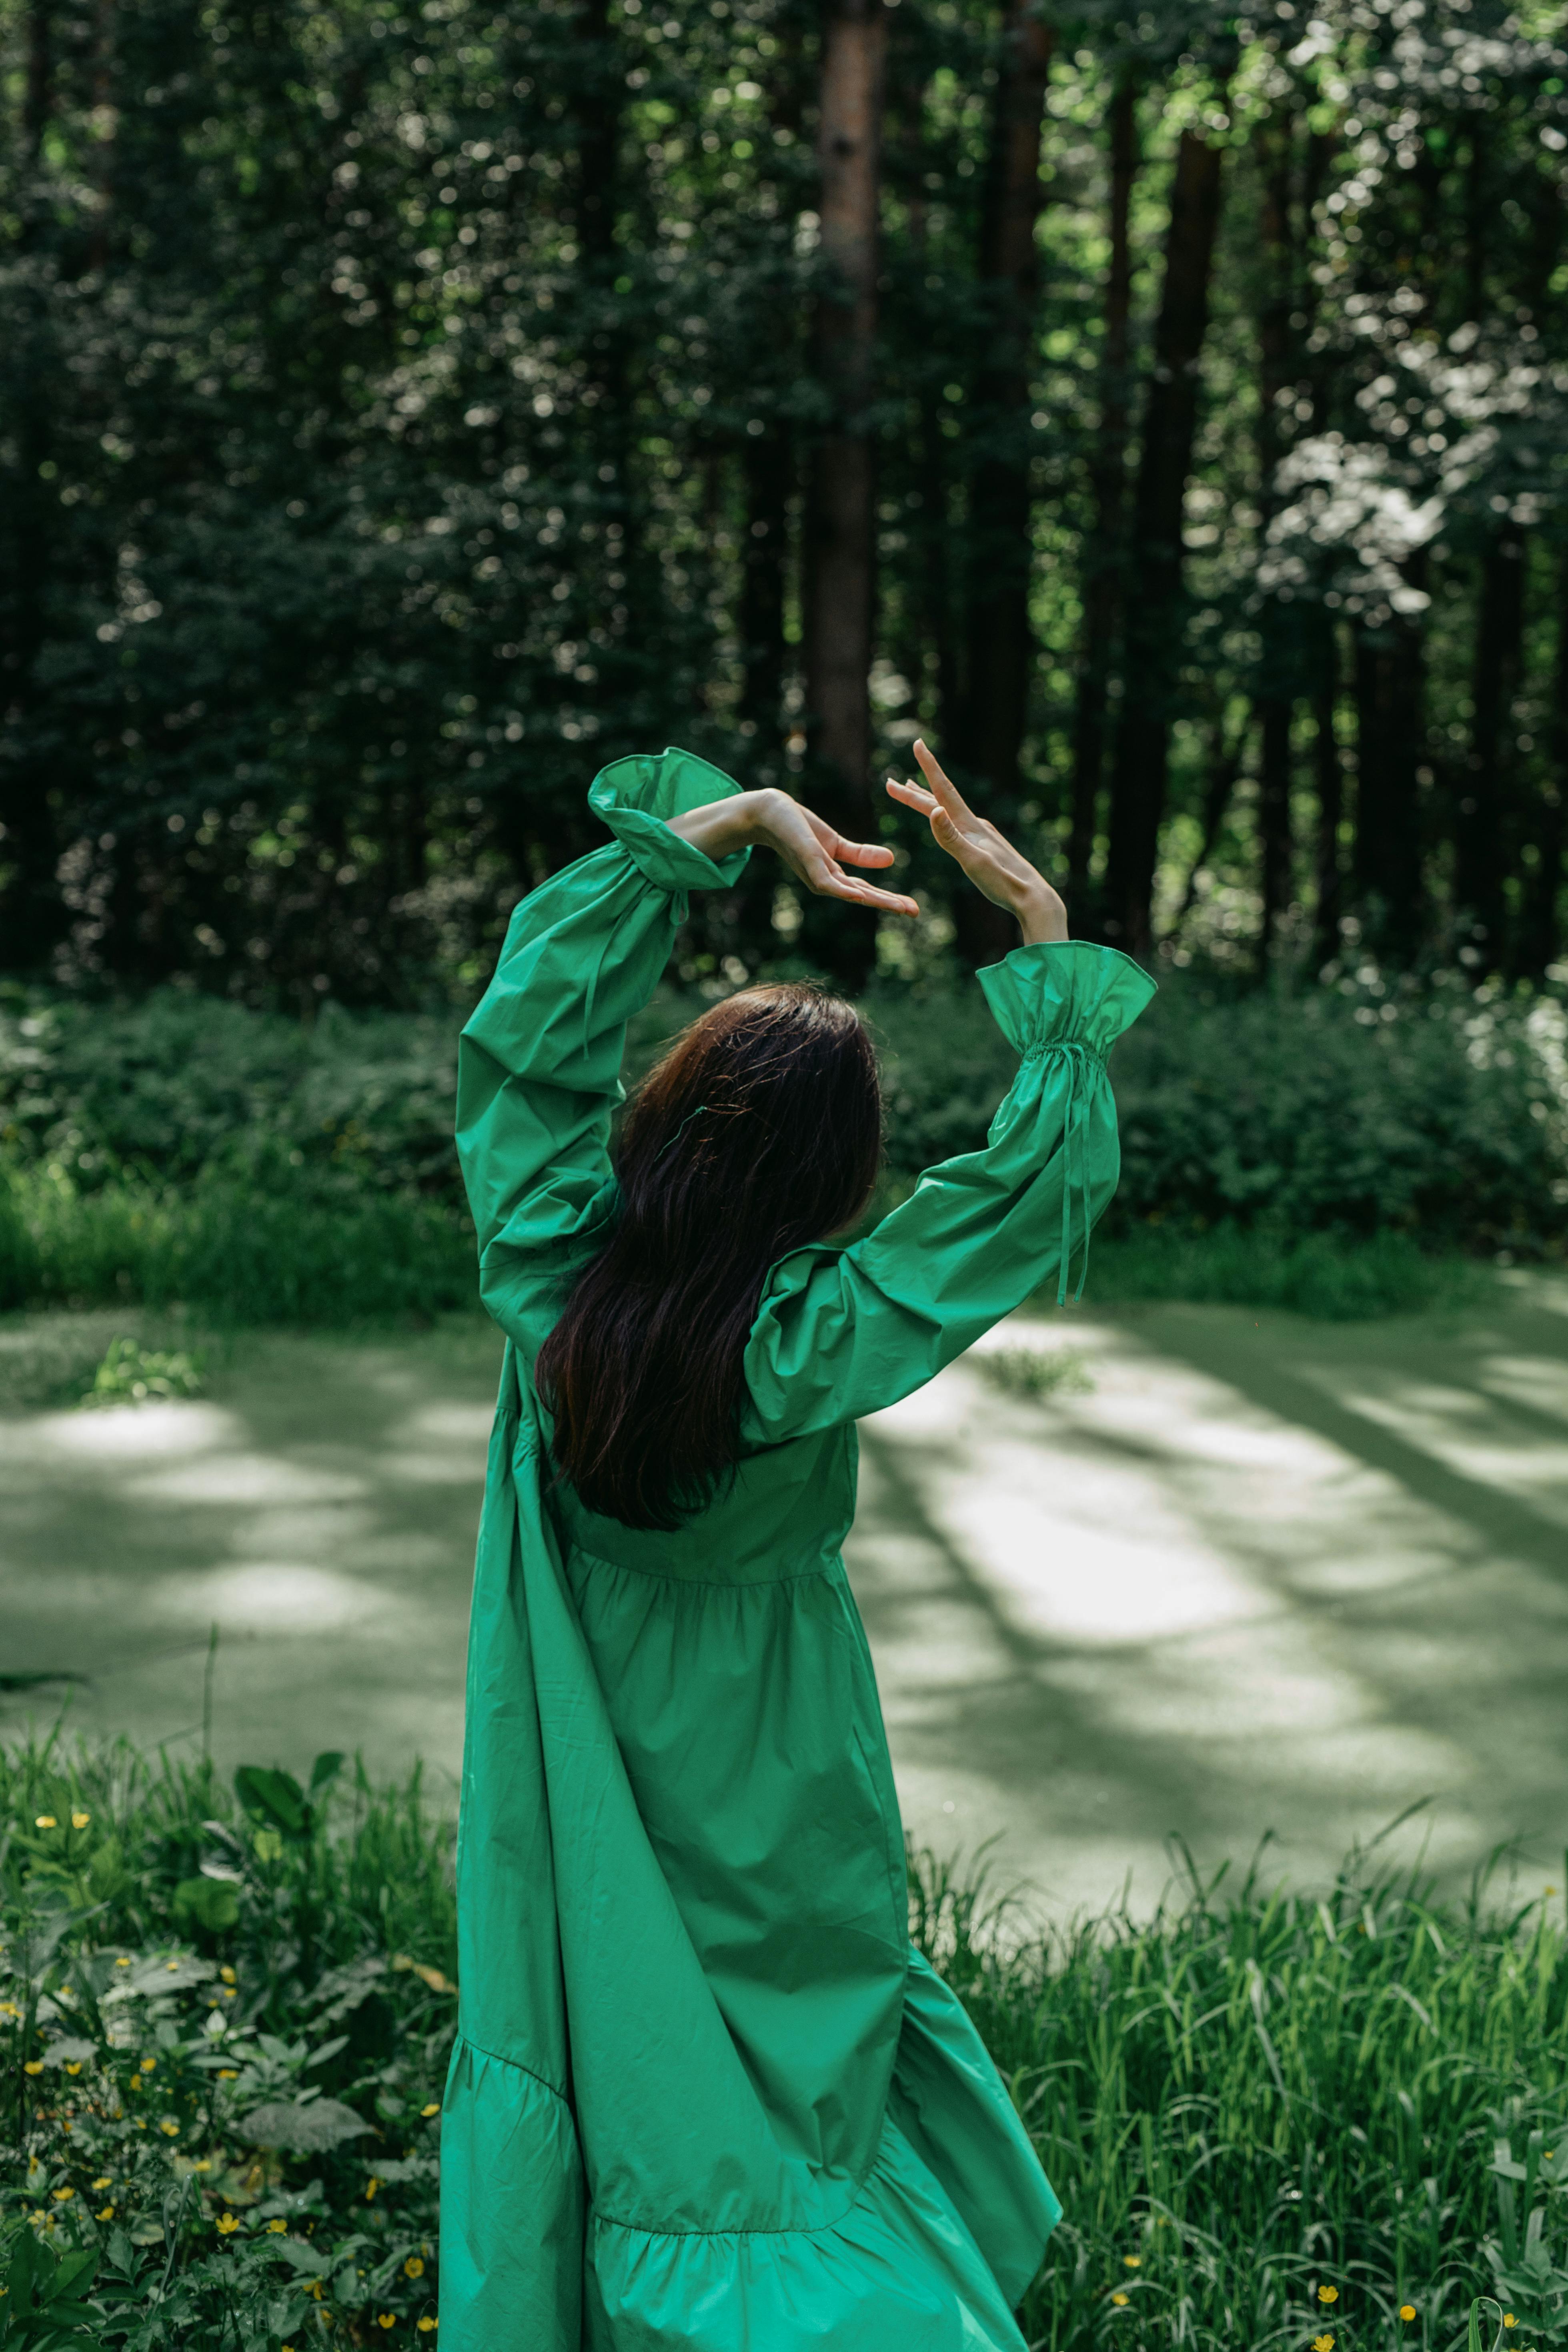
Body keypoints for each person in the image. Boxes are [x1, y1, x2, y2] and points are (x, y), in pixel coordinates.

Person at [439, 739, 1155, 2351]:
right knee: (801, 2044)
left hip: (576, 1724)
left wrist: (730, 829)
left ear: (662, 1117)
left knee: (614, 2037)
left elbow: (529, 1033)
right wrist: (1036, 930)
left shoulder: (545, 1269)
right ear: (831, 1183)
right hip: (774, 1735)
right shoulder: (814, 1338)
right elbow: (1015, 1193)